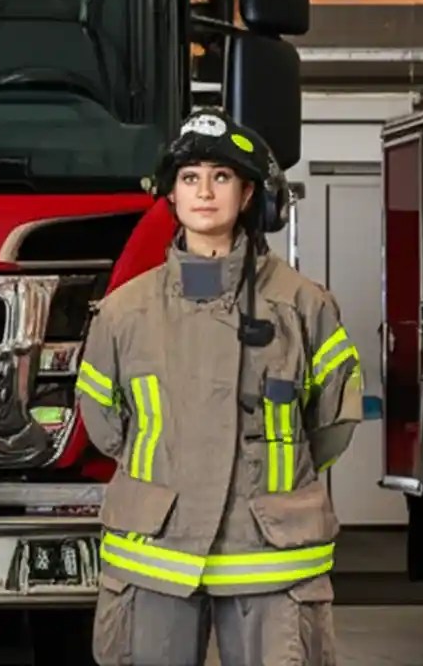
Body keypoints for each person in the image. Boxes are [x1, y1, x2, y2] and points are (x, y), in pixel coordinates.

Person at [76, 108, 364, 665]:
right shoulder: (123, 312)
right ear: (171, 196)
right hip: (155, 553)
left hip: (271, 557)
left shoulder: (306, 306)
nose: (204, 191)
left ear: (250, 194)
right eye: (190, 178)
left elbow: (332, 423)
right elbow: (104, 424)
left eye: (221, 177)